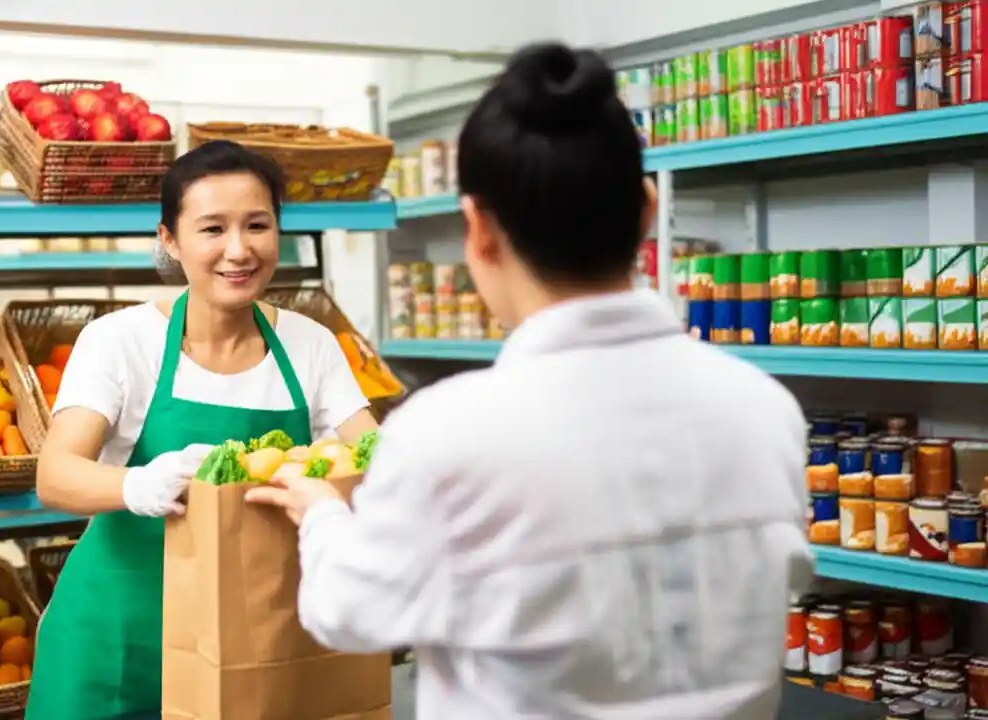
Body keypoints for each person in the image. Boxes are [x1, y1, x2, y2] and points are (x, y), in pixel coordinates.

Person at [246, 43, 812, 719]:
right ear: (647, 208)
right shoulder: (763, 408)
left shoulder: (446, 431)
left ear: (477, 229)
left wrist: (326, 520)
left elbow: (350, 616)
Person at [26, 140, 377, 720]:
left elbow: (370, 453)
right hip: (118, 641)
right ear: (170, 240)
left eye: (257, 225)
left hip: (248, 641)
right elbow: (56, 476)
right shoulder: (120, 341)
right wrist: (138, 486)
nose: (238, 250)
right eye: (212, 228)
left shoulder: (309, 344)